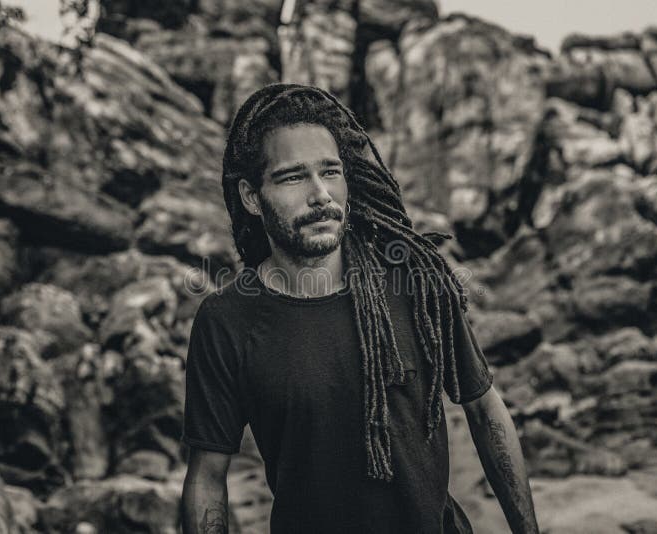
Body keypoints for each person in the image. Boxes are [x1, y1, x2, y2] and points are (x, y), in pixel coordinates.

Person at [180, 83, 539, 534]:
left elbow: (486, 411)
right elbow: (207, 476)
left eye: (331, 172)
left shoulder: (414, 282)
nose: (320, 195)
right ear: (252, 197)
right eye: (293, 177)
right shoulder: (226, 321)